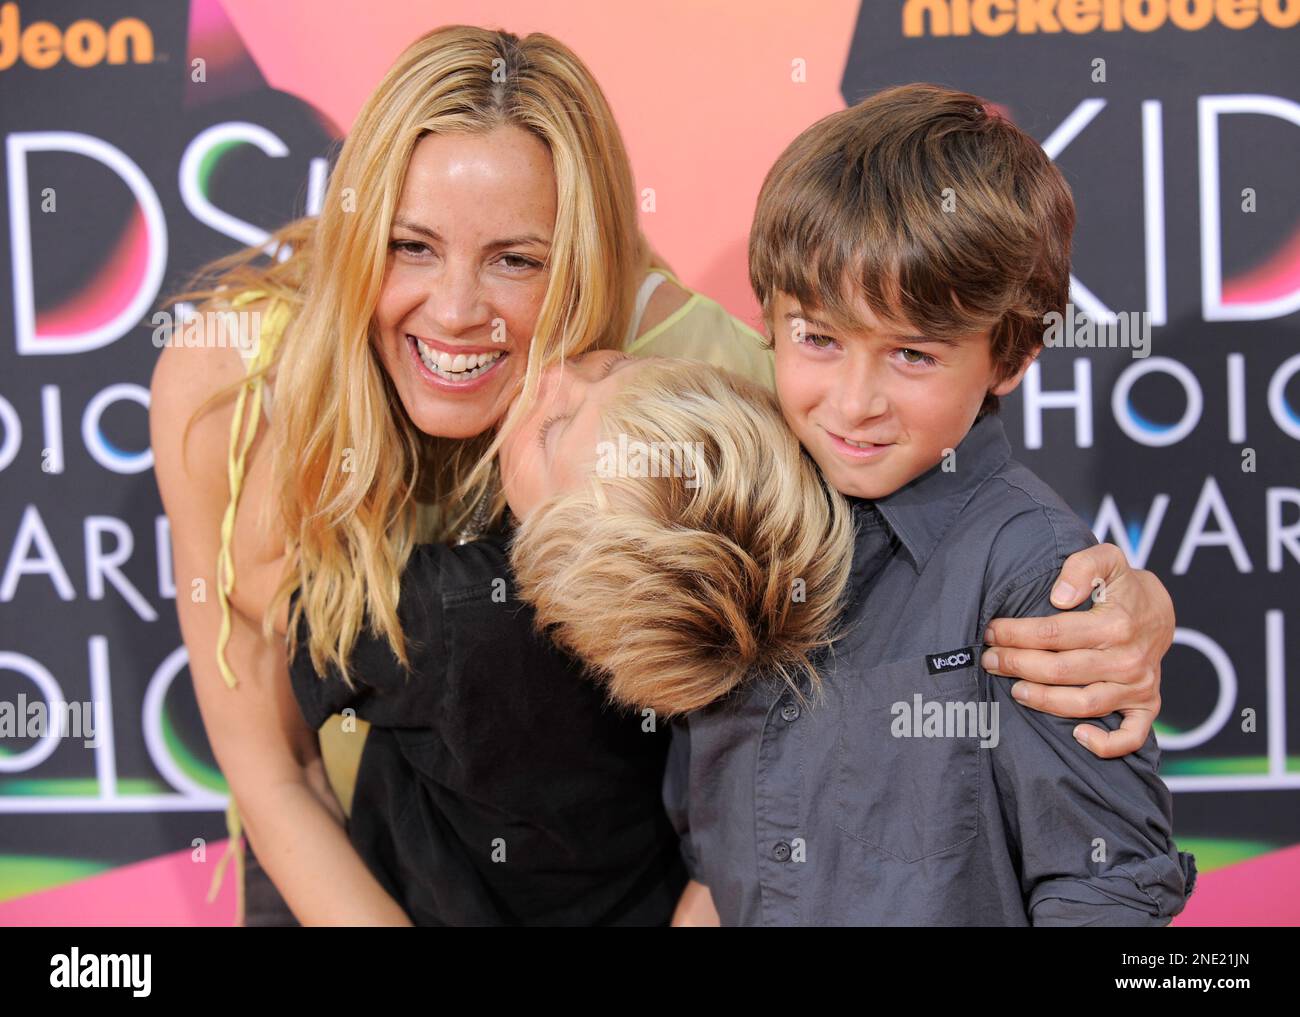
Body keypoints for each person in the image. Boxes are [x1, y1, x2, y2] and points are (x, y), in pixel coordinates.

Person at [151, 23, 1174, 927]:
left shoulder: (708, 373)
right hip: (343, 869)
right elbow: (269, 764)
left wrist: (1127, 606)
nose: (456, 311)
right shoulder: (238, 389)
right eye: (409, 246)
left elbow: (904, 557)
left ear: (590, 256)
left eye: (518, 260)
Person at [601, 82, 1193, 925]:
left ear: (1011, 354)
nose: (853, 402)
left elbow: (1108, 885)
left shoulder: (1035, 579)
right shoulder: (739, 523)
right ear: (768, 319)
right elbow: (719, 864)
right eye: (818, 338)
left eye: (912, 353)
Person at [288, 351, 855, 923]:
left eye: (553, 434)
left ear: (550, 556)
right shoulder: (703, 656)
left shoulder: (447, 617)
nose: (554, 375)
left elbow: (291, 613)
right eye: (612, 367)